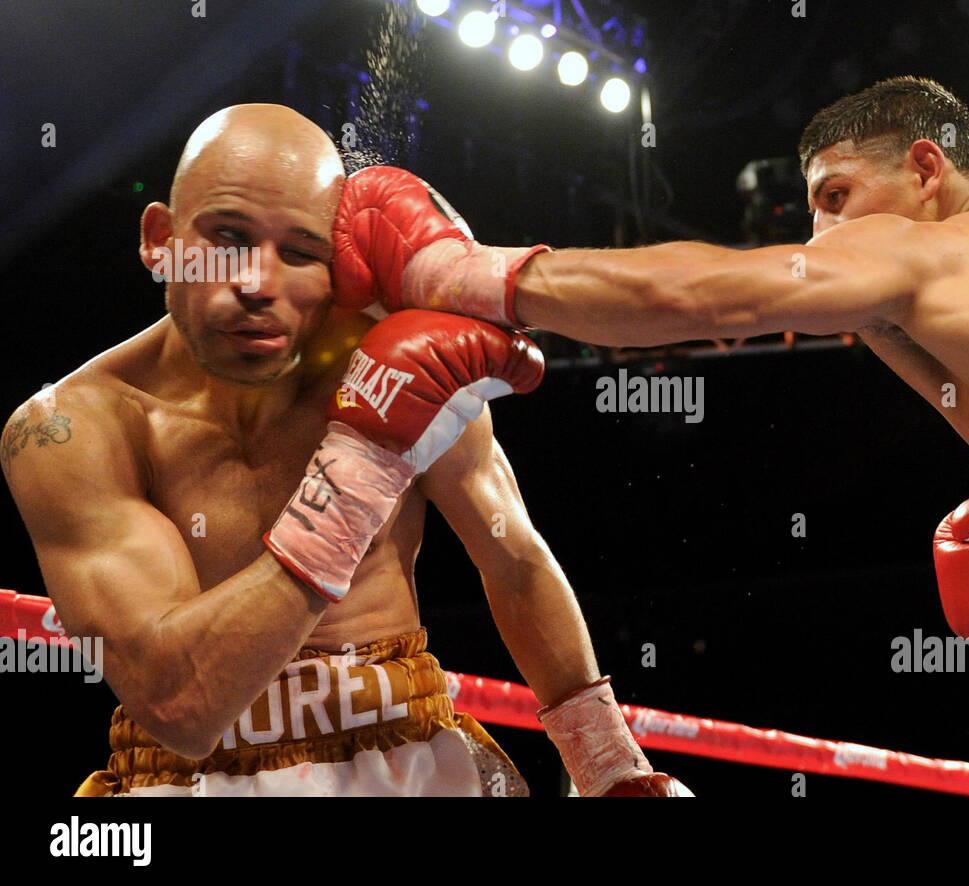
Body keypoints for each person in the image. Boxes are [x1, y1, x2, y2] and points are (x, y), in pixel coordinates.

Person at [334, 76, 969, 796]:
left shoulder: (931, 255)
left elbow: (694, 295)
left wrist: (467, 274)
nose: (822, 236)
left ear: (926, 168)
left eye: (836, 197)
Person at [1, 103, 686, 797]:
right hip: (190, 777)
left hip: (407, 753)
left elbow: (512, 559)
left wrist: (608, 765)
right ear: (160, 239)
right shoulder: (73, 429)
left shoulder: (395, 355)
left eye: (300, 252)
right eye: (229, 236)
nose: (258, 283)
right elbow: (181, 703)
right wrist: (365, 464)